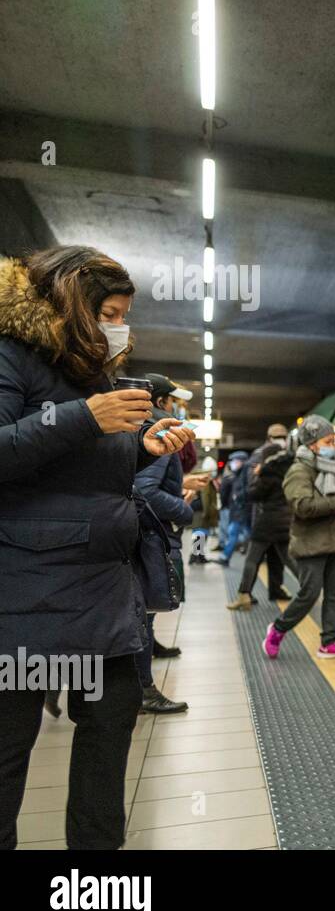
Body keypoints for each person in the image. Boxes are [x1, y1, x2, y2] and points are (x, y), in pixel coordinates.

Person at [0, 246, 195, 850]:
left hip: (103, 595)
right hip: (27, 596)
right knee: (8, 755)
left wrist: (142, 449)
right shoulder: (11, 356)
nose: (119, 327)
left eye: (122, 314)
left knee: (108, 739)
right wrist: (86, 417)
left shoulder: (92, 374)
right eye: (109, 312)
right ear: (71, 305)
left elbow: (81, 466)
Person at [261, 416, 335, 660]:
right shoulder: (298, 471)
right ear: (313, 444)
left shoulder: (331, 468)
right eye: (328, 440)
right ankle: (278, 629)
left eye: (334, 440)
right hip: (311, 544)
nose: (333, 445)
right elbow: (304, 507)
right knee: (309, 593)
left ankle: (330, 641)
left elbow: (330, 502)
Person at [132, 373, 195, 715]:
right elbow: (148, 492)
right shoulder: (157, 436)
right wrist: (185, 510)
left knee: (145, 613)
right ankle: (143, 689)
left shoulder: (138, 431)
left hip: (147, 532)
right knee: (144, 613)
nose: (176, 407)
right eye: (172, 401)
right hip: (153, 533)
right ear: (160, 403)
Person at [227, 423, 296, 609]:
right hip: (285, 519)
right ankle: (308, 588)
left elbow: (251, 493)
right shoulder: (291, 465)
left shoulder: (265, 469)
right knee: (286, 559)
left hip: (266, 520)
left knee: (253, 557)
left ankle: (244, 594)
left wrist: (258, 474)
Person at [215, 450, 250, 565]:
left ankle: (225, 556)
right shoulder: (237, 476)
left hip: (239, 511)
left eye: (235, 461)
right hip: (236, 511)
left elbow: (244, 492)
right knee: (239, 533)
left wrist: (236, 497)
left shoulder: (242, 476)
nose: (232, 464)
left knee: (234, 534)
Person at [189, 455, 219, 565]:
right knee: (200, 536)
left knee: (200, 536)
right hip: (202, 513)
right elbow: (206, 498)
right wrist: (207, 514)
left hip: (198, 512)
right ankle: (195, 557)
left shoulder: (199, 478)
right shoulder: (205, 480)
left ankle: (198, 556)